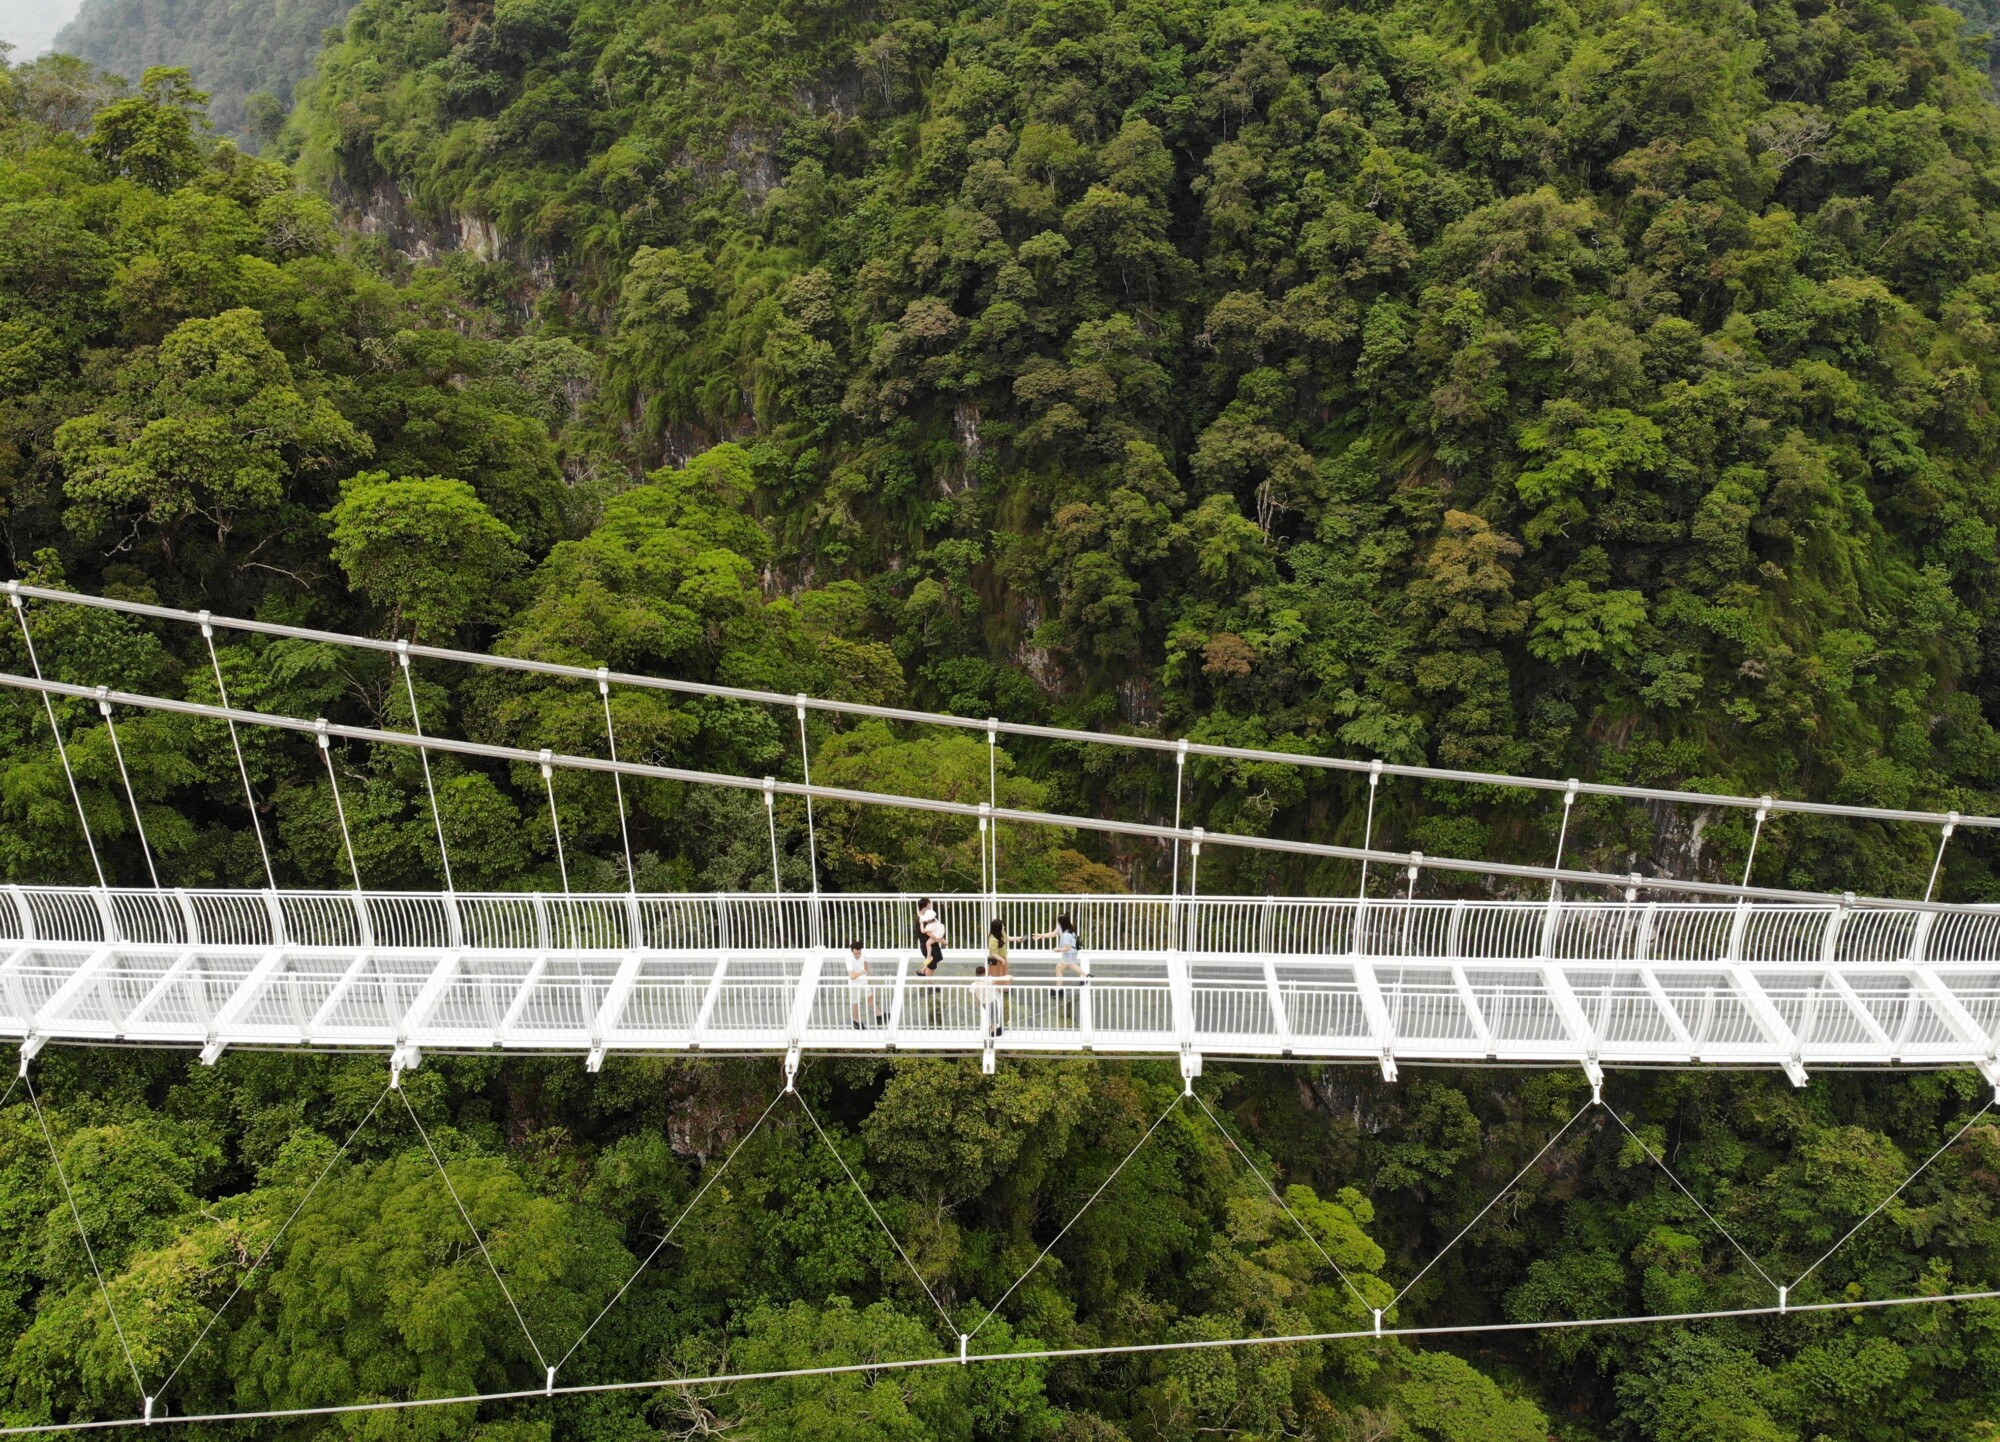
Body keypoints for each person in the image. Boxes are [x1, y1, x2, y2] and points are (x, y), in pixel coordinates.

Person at [1034, 911, 1086, 991]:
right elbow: (1053, 934)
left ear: (1061, 922)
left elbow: (1068, 948)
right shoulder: (1061, 927)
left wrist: (1058, 949)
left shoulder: (1066, 934)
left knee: (1059, 968)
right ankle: (1087, 976)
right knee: (1071, 965)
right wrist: (1041, 935)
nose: (1057, 922)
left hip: (1069, 952)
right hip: (1070, 952)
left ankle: (1058, 989)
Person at [845, 938, 883, 1029]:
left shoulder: (863, 954)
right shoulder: (848, 959)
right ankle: (856, 1021)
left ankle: (879, 1014)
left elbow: (865, 963)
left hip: (863, 981)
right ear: (852, 952)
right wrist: (862, 972)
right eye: (855, 953)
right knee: (855, 1002)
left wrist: (868, 975)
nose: (858, 955)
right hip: (854, 983)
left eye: (859, 953)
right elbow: (852, 976)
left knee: (870, 997)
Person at [985, 918, 1012, 1036]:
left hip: (1002, 960)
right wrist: (1001, 959)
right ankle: (998, 988)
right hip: (998, 962)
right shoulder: (993, 939)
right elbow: (993, 953)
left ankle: (1001, 989)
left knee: (1002, 977)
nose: (1004, 928)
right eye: (1002, 926)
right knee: (998, 978)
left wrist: (1018, 939)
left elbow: (1007, 938)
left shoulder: (1000, 934)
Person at [972, 964, 999, 1038]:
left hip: (983, 1002)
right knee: (994, 1016)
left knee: (991, 1015)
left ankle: (991, 1030)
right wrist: (1006, 977)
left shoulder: (975, 984)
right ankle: (994, 1032)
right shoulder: (985, 981)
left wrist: (977, 1001)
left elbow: (974, 994)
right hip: (991, 1000)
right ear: (984, 973)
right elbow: (996, 981)